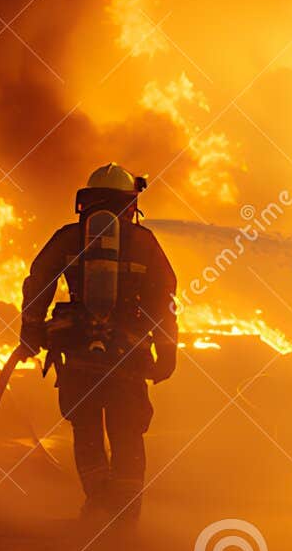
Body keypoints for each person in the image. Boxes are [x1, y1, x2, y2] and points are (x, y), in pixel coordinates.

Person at [19, 163, 178, 520]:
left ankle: (99, 503)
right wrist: (167, 350)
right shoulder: (144, 243)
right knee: (127, 433)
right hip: (128, 358)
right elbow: (164, 301)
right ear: (130, 203)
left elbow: (38, 282)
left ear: (86, 200)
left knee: (87, 431)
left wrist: (31, 332)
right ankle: (127, 513)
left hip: (79, 357)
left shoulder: (68, 238)